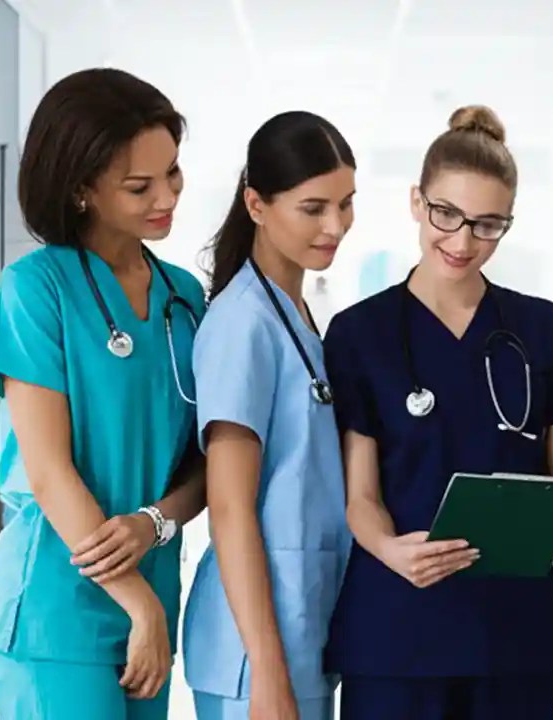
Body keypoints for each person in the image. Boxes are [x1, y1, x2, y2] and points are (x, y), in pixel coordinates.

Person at [321, 105, 553, 720]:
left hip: (509, 635)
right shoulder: (359, 333)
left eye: (487, 225)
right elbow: (360, 497)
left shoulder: (542, 328)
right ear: (415, 202)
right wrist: (391, 550)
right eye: (445, 215)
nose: (461, 241)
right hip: (396, 630)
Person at [0, 68, 209, 720]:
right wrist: (138, 602)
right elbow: (48, 471)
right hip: (57, 609)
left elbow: (208, 461)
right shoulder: (35, 288)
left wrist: (155, 522)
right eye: (140, 186)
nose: (167, 196)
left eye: (173, 174)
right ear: (81, 189)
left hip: (152, 599)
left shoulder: (185, 298)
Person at [182, 110, 356, 720]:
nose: (336, 225)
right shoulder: (241, 324)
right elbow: (228, 508)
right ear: (256, 204)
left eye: (345, 203)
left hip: (302, 630)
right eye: (313, 208)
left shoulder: (299, 316)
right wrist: (268, 672)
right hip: (255, 655)